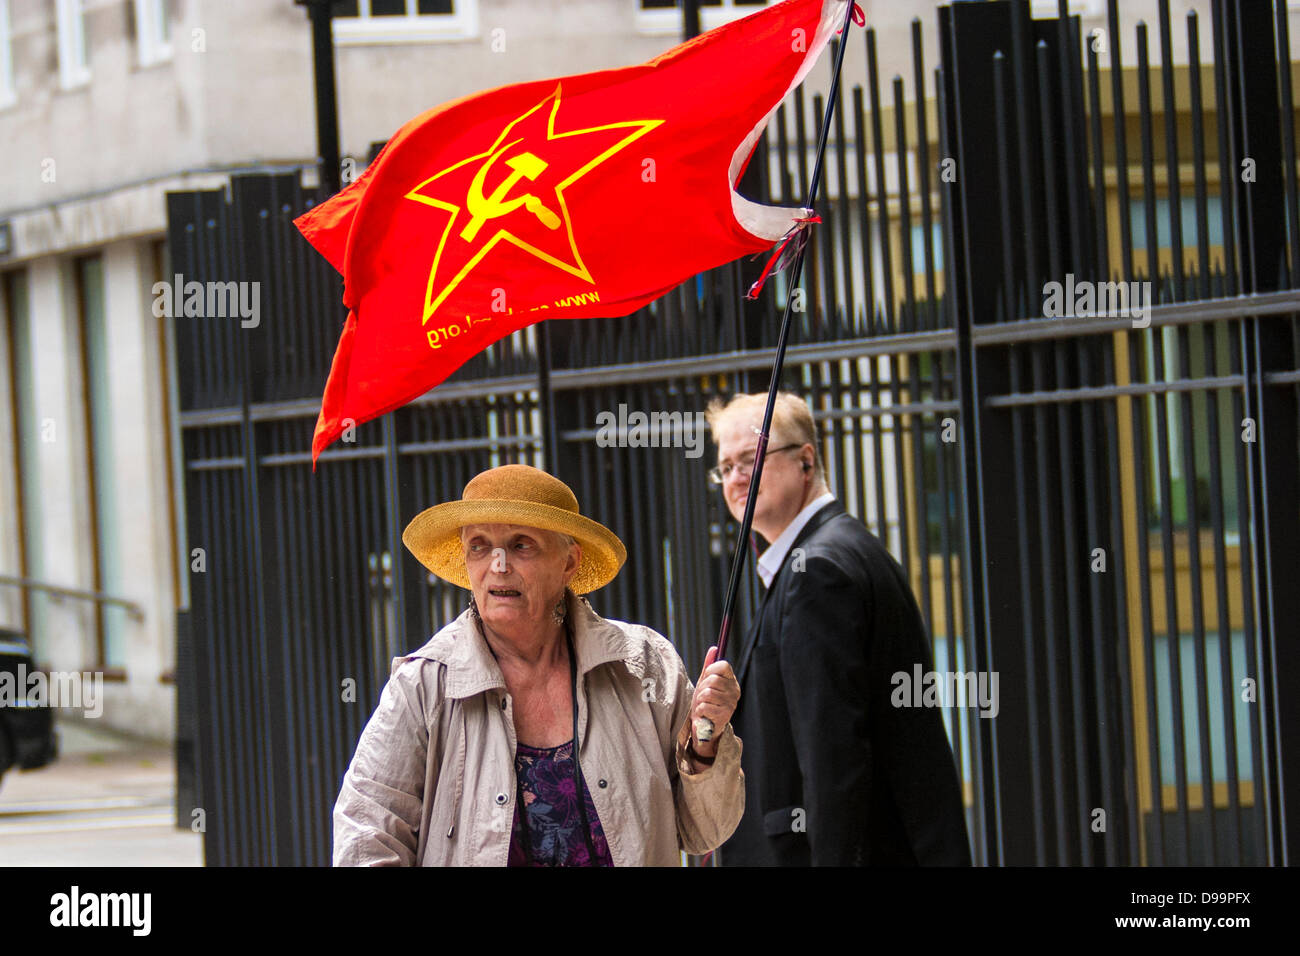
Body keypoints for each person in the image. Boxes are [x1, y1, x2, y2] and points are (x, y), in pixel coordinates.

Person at [333, 463, 743, 866]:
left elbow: (704, 831)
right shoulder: (424, 686)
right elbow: (366, 834)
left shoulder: (643, 665)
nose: (498, 565)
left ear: (569, 562)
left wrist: (706, 735)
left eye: (520, 544)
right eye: (479, 546)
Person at [705, 391, 971, 866]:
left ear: (806, 460)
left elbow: (833, 758)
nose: (736, 478)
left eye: (751, 459)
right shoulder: (833, 551)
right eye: (725, 467)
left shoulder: (818, 572)